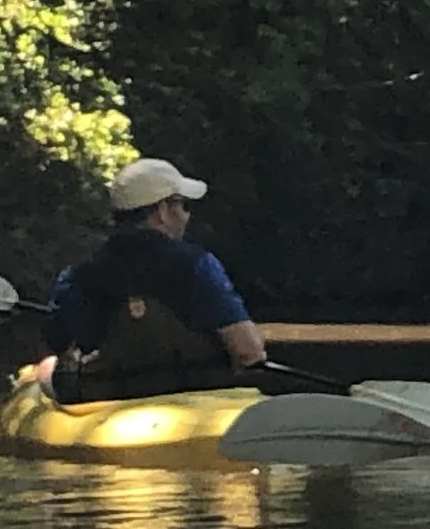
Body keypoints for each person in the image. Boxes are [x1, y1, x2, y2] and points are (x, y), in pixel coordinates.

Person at [38, 157, 268, 402]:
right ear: (162, 211)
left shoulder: (79, 272)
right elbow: (248, 352)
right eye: (183, 206)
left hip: (106, 403)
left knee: (45, 368)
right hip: (195, 401)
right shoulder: (198, 264)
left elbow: (57, 341)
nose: (186, 216)